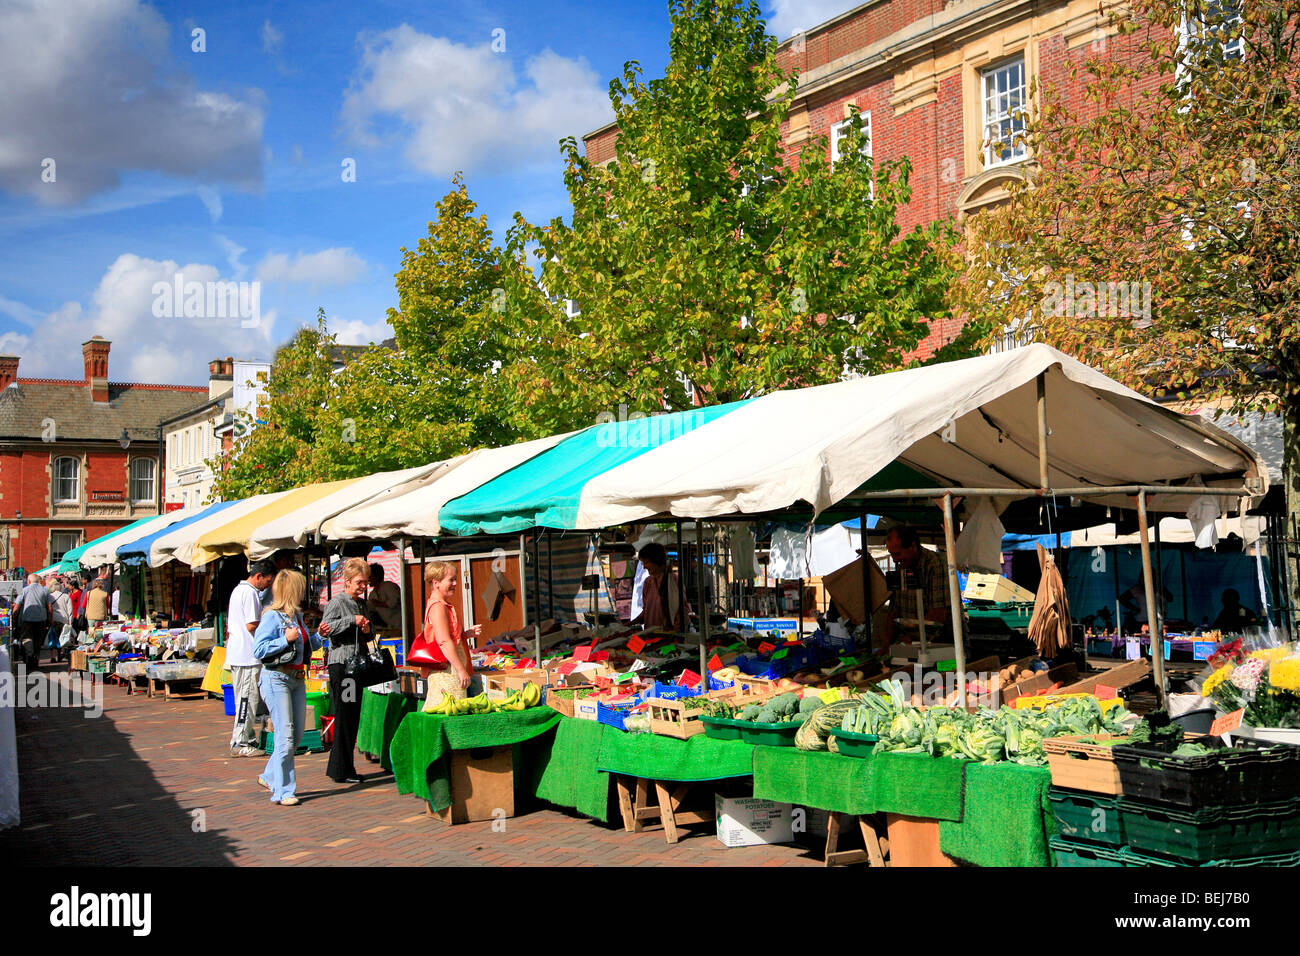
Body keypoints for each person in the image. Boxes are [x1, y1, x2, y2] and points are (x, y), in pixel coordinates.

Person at [253, 569, 324, 807]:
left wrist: (318, 637)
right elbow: (259, 649)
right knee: (285, 736)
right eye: (300, 587)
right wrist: (285, 639)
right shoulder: (272, 617)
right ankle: (283, 791)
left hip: (296, 678)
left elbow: (304, 645)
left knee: (297, 735)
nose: (304, 592)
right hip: (276, 678)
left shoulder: (297, 616)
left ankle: (269, 776)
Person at [318, 558, 375, 784]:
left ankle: (344, 766)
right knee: (345, 715)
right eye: (359, 582)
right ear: (348, 581)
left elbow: (368, 636)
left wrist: (367, 628)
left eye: (365, 583)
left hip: (356, 665)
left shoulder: (361, 603)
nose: (363, 587)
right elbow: (326, 627)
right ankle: (341, 768)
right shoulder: (338, 602)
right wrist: (352, 620)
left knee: (352, 715)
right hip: (343, 665)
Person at [414, 560, 483, 703]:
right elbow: (444, 641)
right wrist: (460, 670)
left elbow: (446, 636)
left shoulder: (441, 605)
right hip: (447, 673)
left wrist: (465, 634)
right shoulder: (438, 607)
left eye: (455, 579)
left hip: (449, 671)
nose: (455, 583)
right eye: (451, 580)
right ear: (436, 583)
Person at [227, 560, 276, 758]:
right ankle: (240, 741)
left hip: (241, 654)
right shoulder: (249, 593)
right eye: (268, 581)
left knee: (246, 699)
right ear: (259, 576)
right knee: (246, 700)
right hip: (246, 655)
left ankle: (246, 735)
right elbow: (251, 624)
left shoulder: (241, 591)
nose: (268, 585)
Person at [882, 526, 953, 646]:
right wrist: (886, 645)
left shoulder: (936, 564)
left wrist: (913, 638)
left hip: (942, 645)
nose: (894, 560)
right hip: (912, 644)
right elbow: (894, 611)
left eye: (898, 554)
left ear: (913, 547)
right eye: (891, 554)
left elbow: (938, 613)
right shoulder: (901, 566)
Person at [630, 543, 685, 631]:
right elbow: (646, 612)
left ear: (656, 560)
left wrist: (676, 633)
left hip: (668, 636)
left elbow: (681, 611)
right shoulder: (648, 582)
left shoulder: (673, 580)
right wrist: (628, 625)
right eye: (643, 563)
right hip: (650, 635)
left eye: (647, 562)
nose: (644, 567)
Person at [13, 573, 51, 670]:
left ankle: (28, 657)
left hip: (27, 619)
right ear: (38, 581)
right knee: (38, 641)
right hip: (41, 619)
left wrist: (13, 617)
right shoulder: (45, 590)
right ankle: (36, 661)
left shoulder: (24, 590)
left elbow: (17, 606)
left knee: (27, 639)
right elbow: (50, 607)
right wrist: (50, 620)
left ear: (28, 581)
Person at [366, 563, 402, 630]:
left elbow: (393, 603)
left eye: (370, 576)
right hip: (389, 628)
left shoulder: (389, 586)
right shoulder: (372, 594)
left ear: (377, 576)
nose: (368, 579)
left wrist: (378, 603)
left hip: (401, 625)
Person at [47, 577, 74, 665]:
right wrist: (70, 622)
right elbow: (70, 611)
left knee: (53, 638)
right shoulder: (66, 596)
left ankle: (53, 656)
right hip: (64, 619)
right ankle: (60, 654)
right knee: (62, 637)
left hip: (53, 619)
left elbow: (48, 608)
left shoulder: (49, 597)